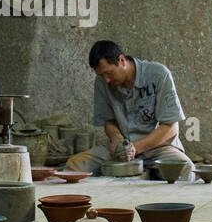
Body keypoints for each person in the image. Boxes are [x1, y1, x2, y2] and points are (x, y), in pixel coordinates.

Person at [65, 40, 193, 178]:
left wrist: (135, 148)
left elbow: (170, 128)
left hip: (158, 148)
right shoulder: (102, 82)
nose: (106, 80)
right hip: (121, 149)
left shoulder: (158, 74)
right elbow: (109, 122)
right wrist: (116, 138)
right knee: (74, 165)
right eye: (101, 75)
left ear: (121, 60)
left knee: (186, 169)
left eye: (109, 73)